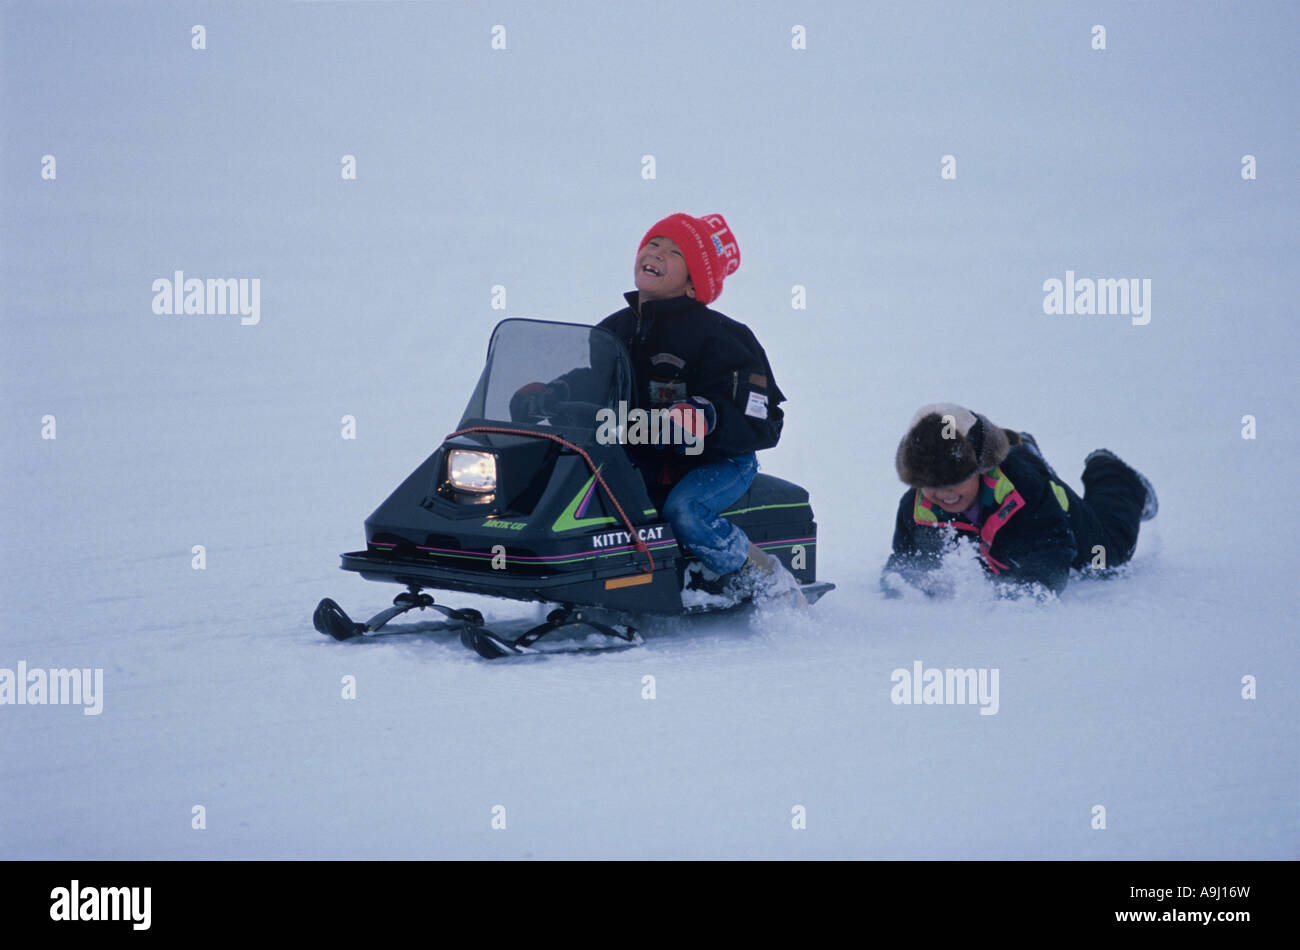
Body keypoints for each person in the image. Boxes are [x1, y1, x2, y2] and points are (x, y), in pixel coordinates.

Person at [515, 212, 802, 605]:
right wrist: (553, 392)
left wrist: (706, 413)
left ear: (692, 282)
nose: (657, 253)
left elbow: (757, 413)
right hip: (643, 450)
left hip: (716, 462)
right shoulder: (615, 328)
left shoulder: (724, 336)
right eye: (654, 243)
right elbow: (597, 378)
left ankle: (758, 574)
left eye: (674, 251)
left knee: (685, 511)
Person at [882, 403, 1158, 597]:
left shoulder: (1023, 491)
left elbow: (1053, 546)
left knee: (1104, 560)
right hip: (1016, 487)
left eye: (955, 481)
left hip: (1053, 506)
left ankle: (1113, 473)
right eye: (931, 486)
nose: (944, 494)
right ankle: (1022, 447)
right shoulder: (915, 508)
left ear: (981, 468)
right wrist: (904, 582)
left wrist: (1031, 586)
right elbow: (906, 558)